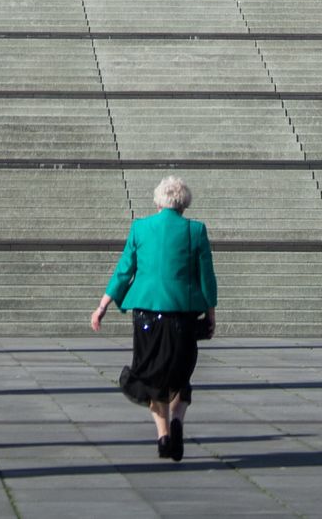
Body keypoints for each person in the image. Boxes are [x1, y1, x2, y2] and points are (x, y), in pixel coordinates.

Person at [90, 175, 217, 463]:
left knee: (154, 377)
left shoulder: (140, 228)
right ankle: (178, 421)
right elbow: (206, 277)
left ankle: (162, 437)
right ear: (184, 203)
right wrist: (211, 313)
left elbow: (125, 270)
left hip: (147, 314)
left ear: (159, 200)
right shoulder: (196, 231)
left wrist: (102, 306)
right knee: (180, 376)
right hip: (182, 316)